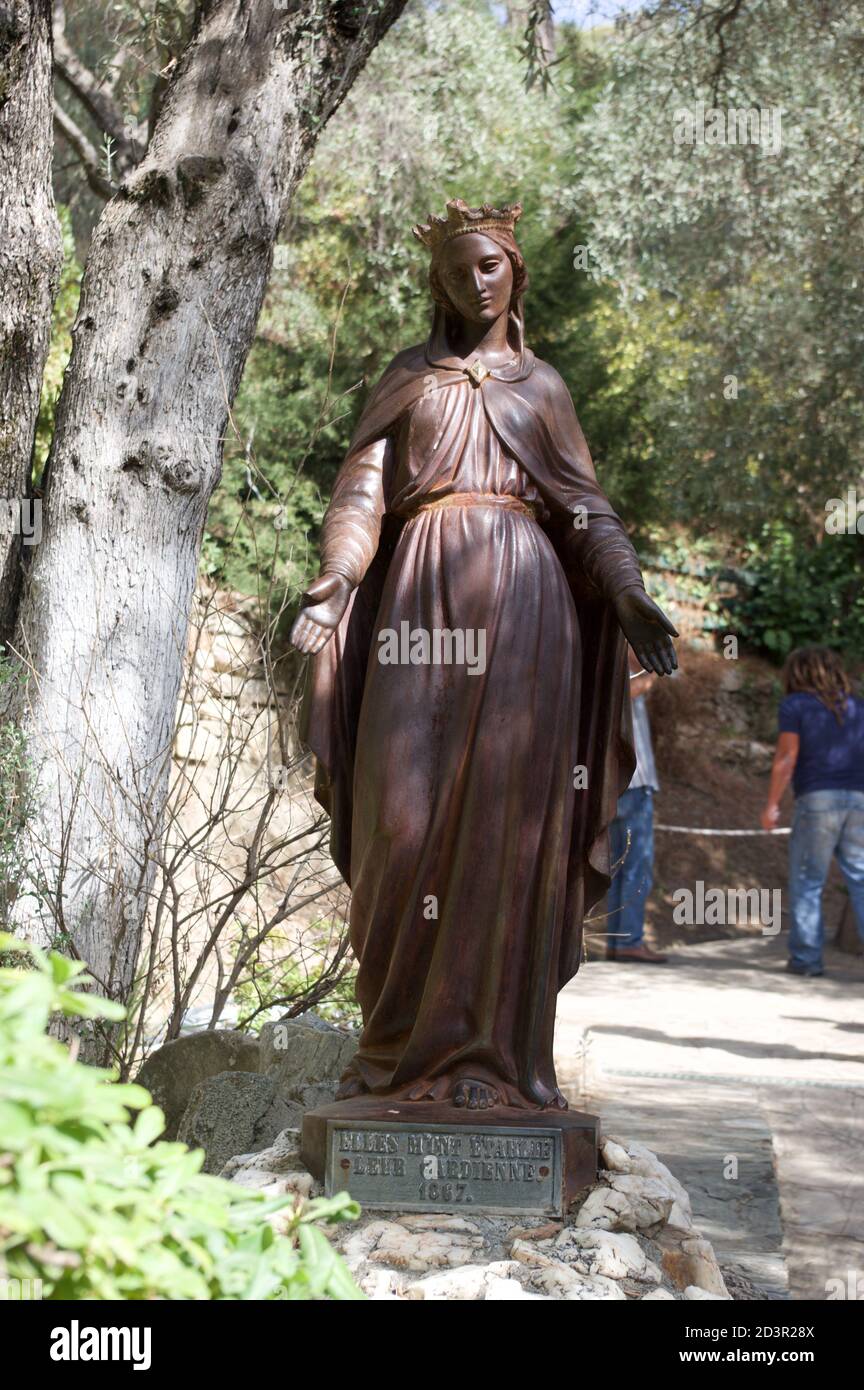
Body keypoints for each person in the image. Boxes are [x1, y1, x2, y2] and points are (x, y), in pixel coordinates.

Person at [291, 198, 677, 1112]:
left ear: (514, 272)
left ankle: (493, 1063)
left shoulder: (541, 390)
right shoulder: (408, 379)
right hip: (418, 600)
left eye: (491, 264)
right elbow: (361, 494)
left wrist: (623, 589)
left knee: (512, 830)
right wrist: (341, 576)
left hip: (526, 615)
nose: (477, 279)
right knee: (400, 814)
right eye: (459, 266)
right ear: (439, 278)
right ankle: (392, 1053)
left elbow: (586, 508)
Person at [761, 646, 864, 976]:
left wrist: (772, 805)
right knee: (861, 879)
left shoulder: (795, 706)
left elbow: (787, 758)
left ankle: (806, 961)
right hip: (860, 799)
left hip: (818, 800)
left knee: (808, 881)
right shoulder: (857, 707)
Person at [606, 648, 668, 963]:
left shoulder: (602, 666)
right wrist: (657, 667)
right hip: (632, 784)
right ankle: (628, 939)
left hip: (617, 785)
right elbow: (635, 688)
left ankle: (619, 940)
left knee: (620, 866)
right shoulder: (618, 679)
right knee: (636, 867)